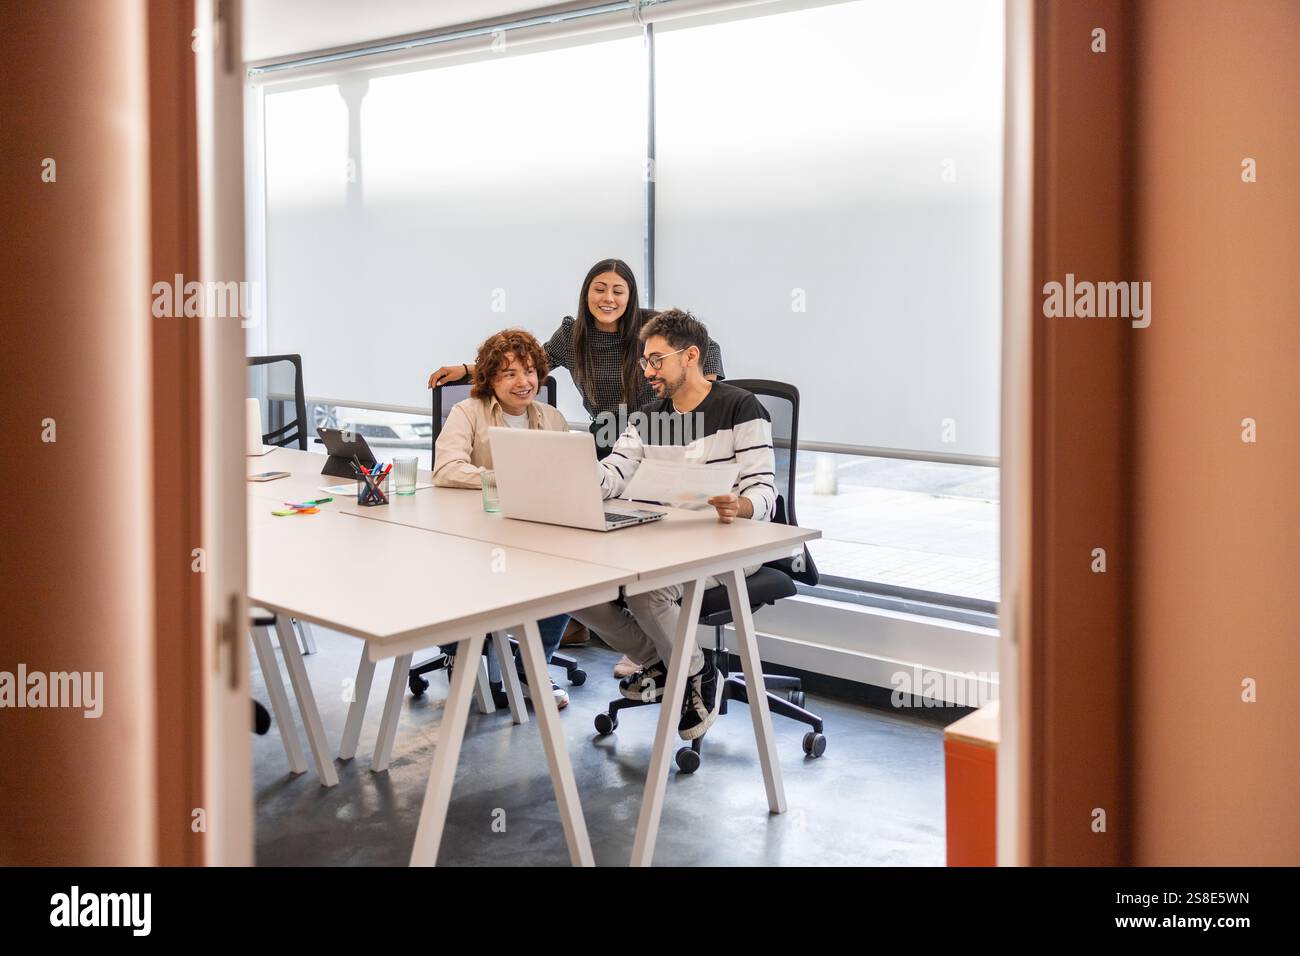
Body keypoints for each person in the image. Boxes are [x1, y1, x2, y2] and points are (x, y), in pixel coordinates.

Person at [429, 258, 729, 677]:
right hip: (608, 445)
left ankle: (659, 643)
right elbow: (529, 364)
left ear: (631, 295)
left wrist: (701, 388)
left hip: (658, 437)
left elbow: (706, 348)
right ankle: (647, 645)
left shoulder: (650, 326)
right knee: (605, 543)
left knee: (656, 539)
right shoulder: (573, 335)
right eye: (599, 289)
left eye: (618, 290)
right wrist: (466, 370)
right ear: (587, 294)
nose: (608, 298)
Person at [567, 309, 778, 741]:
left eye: (656, 360)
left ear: (691, 356)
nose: (647, 371)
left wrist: (739, 505)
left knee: (649, 589)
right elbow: (615, 473)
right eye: (645, 361)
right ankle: (666, 663)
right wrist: (573, 471)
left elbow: (764, 492)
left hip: (732, 544)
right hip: (665, 541)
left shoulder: (740, 407)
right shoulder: (647, 416)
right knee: (575, 588)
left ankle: (696, 675)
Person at [433, 328, 572, 709]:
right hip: (479, 533)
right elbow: (445, 469)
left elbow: (570, 475)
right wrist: (504, 479)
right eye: (509, 373)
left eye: (528, 371)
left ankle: (531, 670)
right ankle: (460, 647)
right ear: (491, 379)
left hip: (535, 531)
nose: (522, 382)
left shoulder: (554, 418)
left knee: (572, 571)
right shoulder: (468, 411)